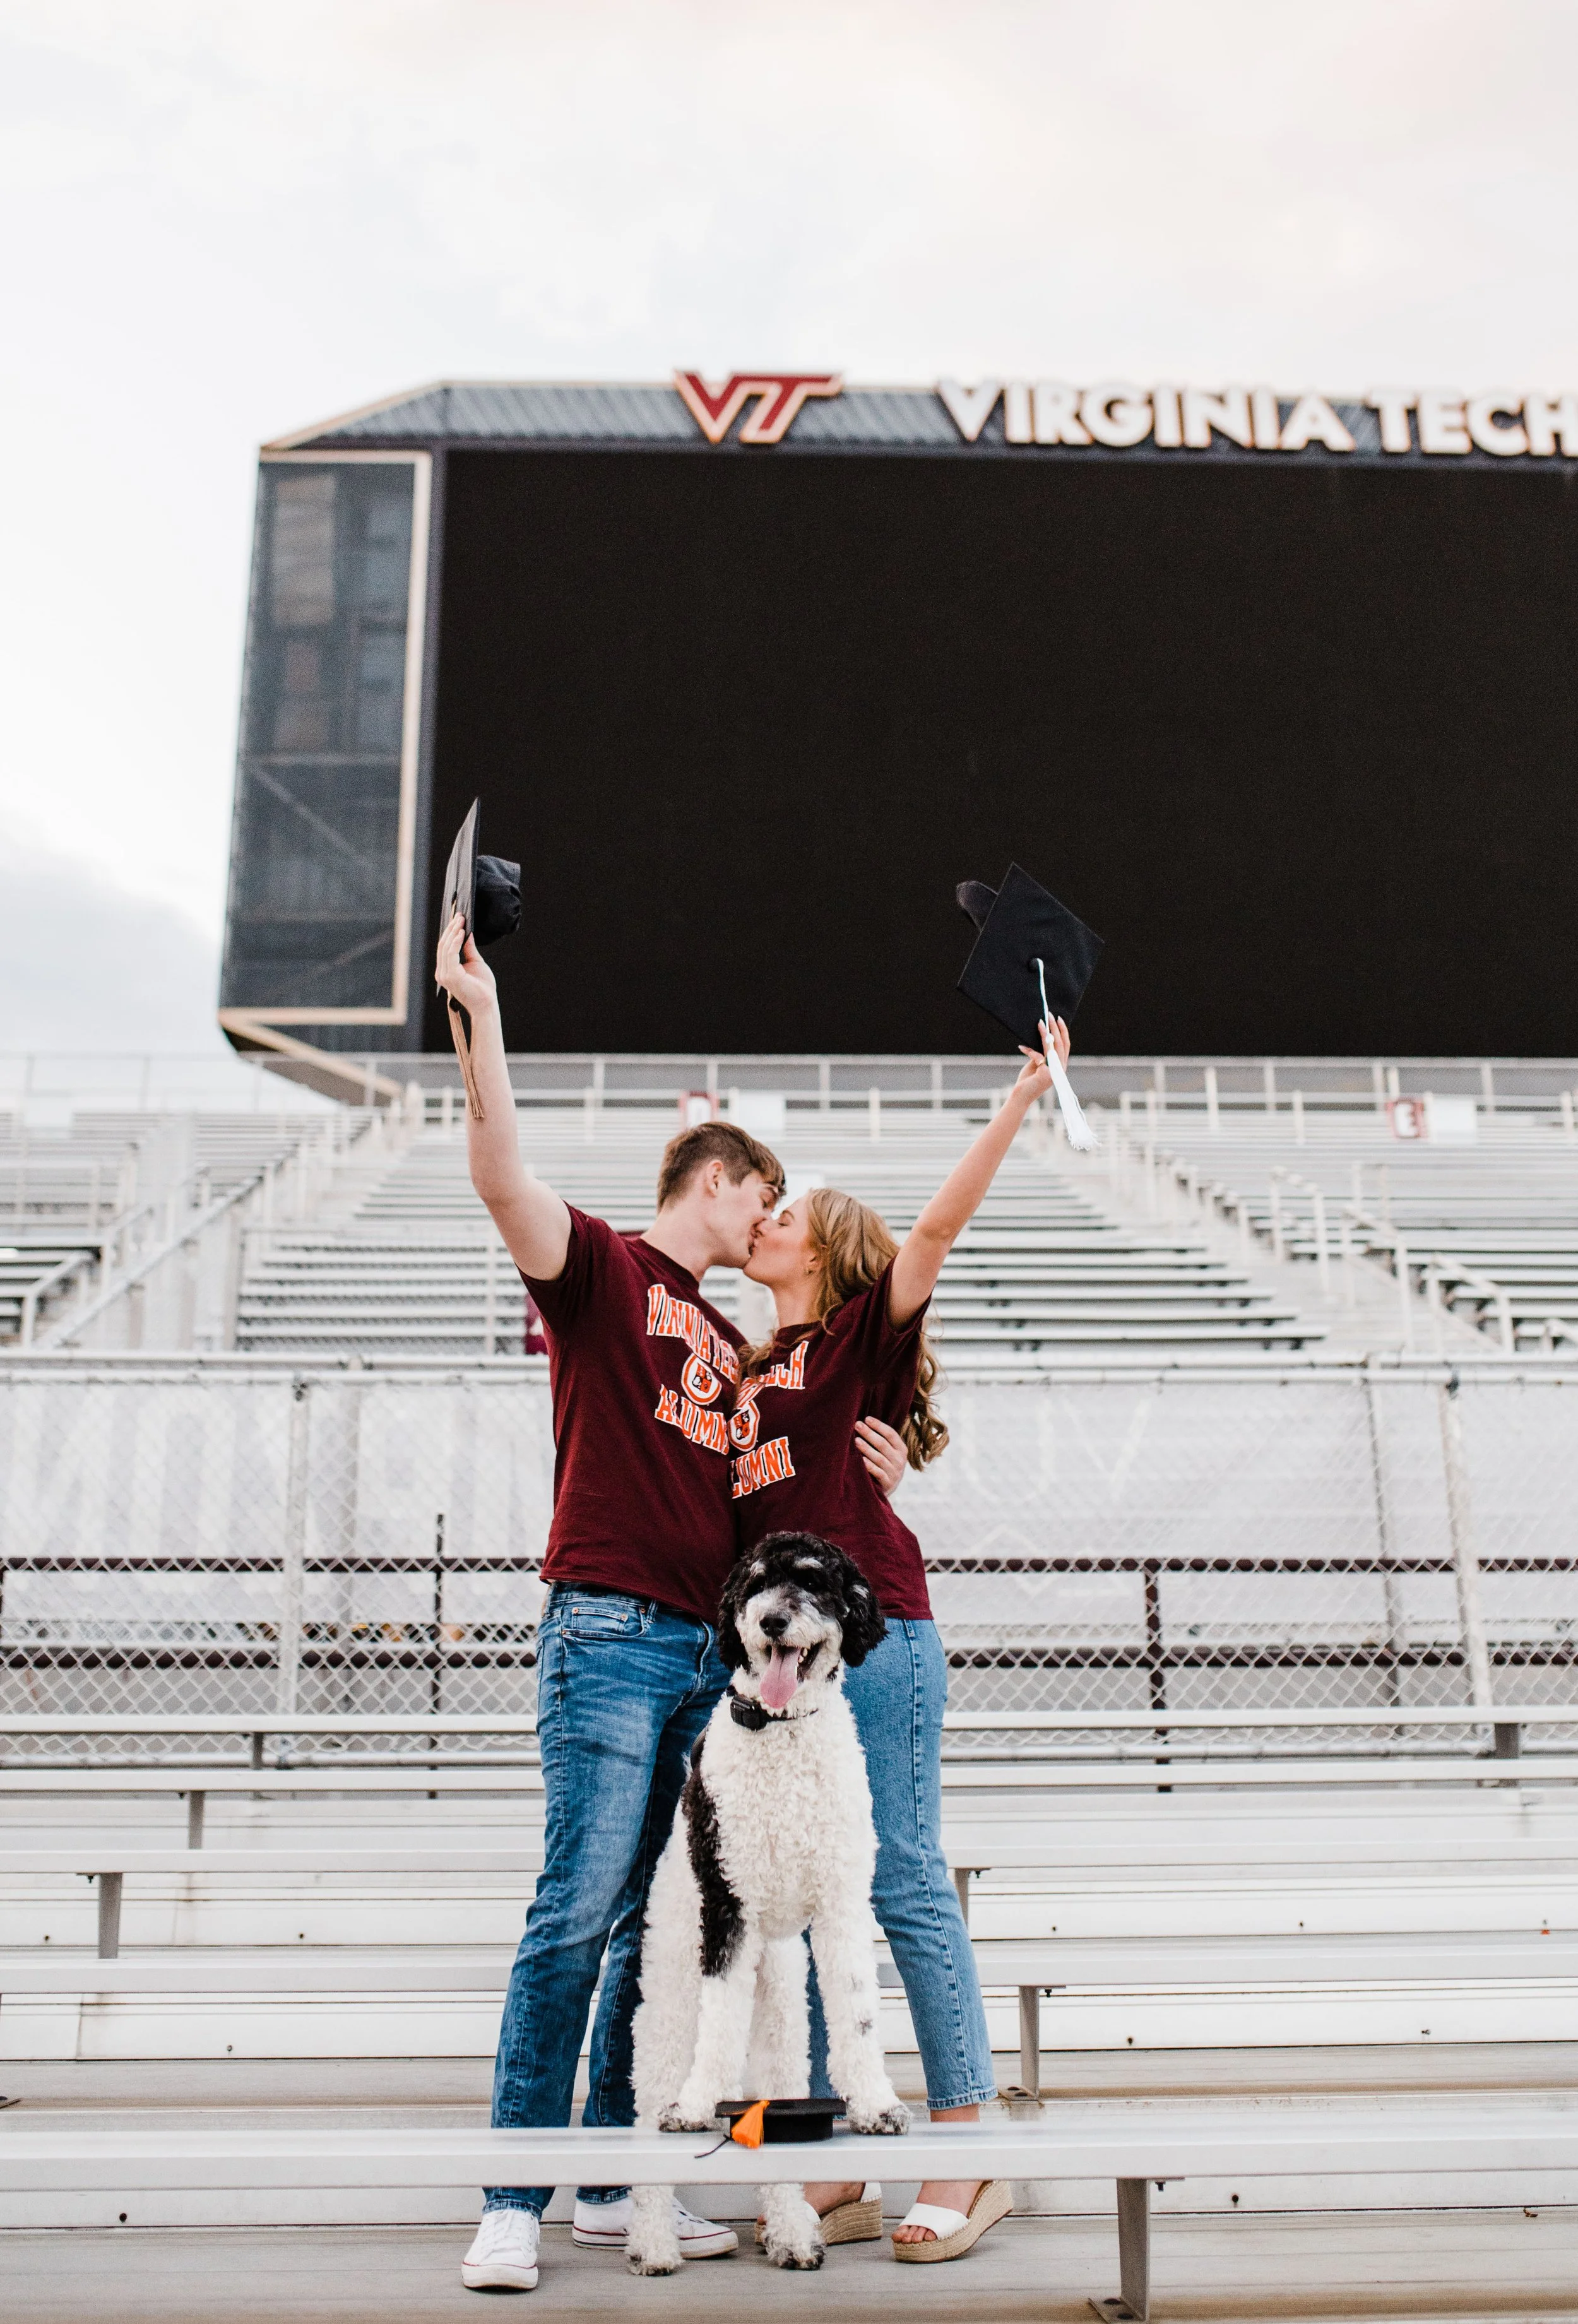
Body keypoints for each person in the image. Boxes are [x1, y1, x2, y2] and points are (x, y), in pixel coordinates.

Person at [432, 914, 908, 2294]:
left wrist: (897, 1449)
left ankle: (603, 2176)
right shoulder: (601, 1271)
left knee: (666, 1922)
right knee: (577, 1906)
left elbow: (818, 1432)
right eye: (758, 1203)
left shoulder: (727, 1331)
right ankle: (513, 2191)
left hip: (711, 1655)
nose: (769, 1226)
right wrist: (482, 1017)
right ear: (721, 1182)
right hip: (607, 1627)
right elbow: (497, 1170)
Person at [735, 1016, 1066, 2264]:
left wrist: (1019, 1098)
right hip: (784, 1671)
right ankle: (835, 2153)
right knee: (810, 1900)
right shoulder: (749, 1368)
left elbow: (930, 1233)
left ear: (820, 1249)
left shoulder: (856, 1334)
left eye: (786, 1211)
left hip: (878, 1637)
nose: (764, 1220)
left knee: (901, 1876)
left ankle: (965, 2141)